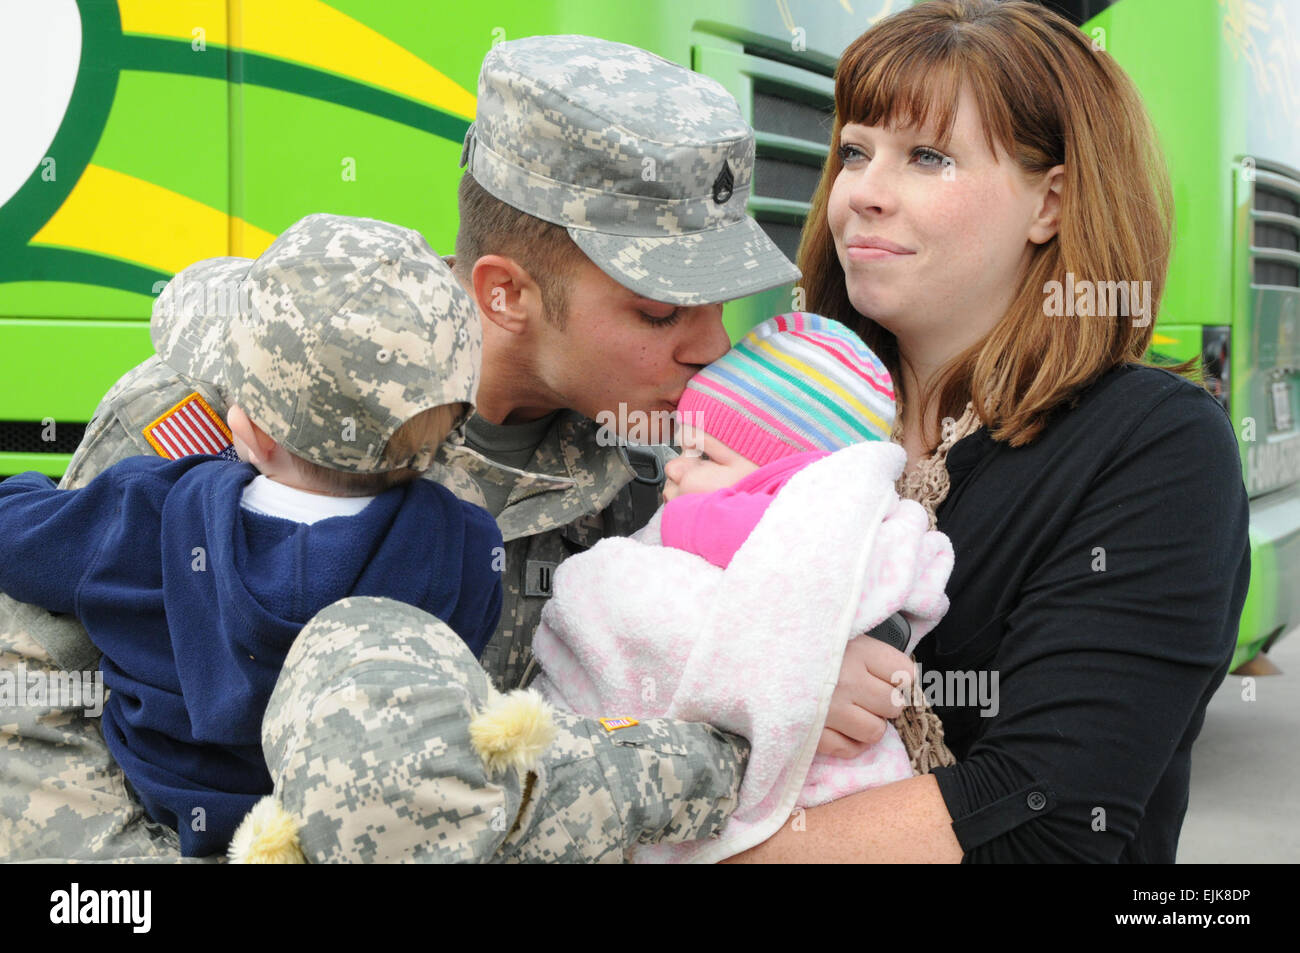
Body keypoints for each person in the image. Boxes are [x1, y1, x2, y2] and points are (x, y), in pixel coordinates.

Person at [3, 35, 914, 863]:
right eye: (661, 310)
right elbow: (32, 719)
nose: (713, 346)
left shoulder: (666, 462)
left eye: (722, 300)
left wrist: (784, 672)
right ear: (506, 292)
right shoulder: (240, 404)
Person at [723, 0, 1251, 863]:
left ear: (1052, 202)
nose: (864, 193)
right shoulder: (776, 407)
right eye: (855, 151)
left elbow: (1043, 817)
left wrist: (664, 850)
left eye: (928, 157)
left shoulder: (1153, 446)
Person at [0, 213, 506, 856]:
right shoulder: (462, 547)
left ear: (252, 431)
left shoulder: (146, 514)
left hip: (165, 821)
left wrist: (30, 491)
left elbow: (16, 539)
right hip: (343, 834)